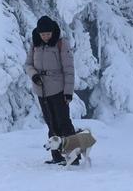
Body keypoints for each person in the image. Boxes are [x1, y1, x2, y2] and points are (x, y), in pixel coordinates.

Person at [25, 15, 77, 165]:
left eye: (48, 34)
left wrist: (68, 92)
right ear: (38, 33)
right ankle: (57, 156)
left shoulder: (61, 44)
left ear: (53, 32)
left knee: (64, 123)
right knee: (51, 123)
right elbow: (28, 64)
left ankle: (73, 157)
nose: (46, 37)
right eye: (43, 34)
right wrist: (34, 75)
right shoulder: (35, 44)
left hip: (59, 89)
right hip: (42, 91)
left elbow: (69, 69)